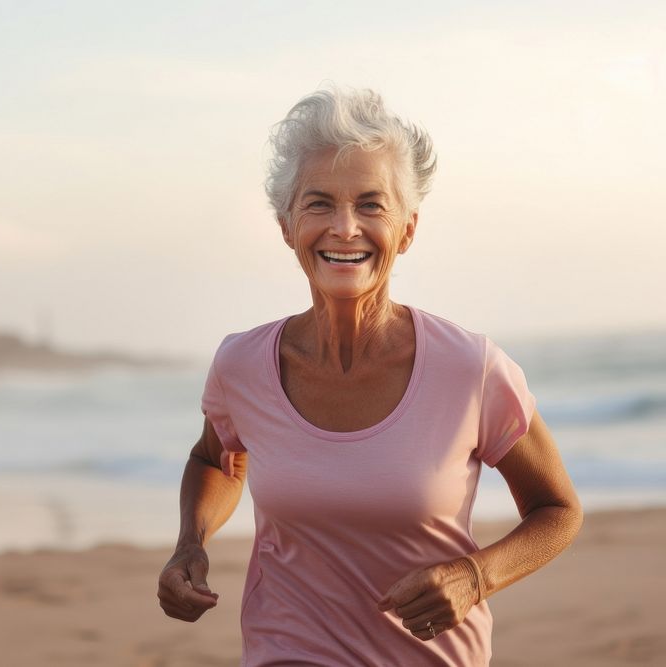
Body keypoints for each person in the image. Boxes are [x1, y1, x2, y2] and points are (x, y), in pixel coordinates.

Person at [156, 87, 583, 666]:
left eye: (371, 205)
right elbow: (216, 460)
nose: (345, 228)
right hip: (288, 651)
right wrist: (191, 543)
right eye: (319, 204)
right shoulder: (242, 366)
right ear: (287, 226)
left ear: (407, 229)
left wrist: (473, 576)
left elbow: (557, 510)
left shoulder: (471, 369)